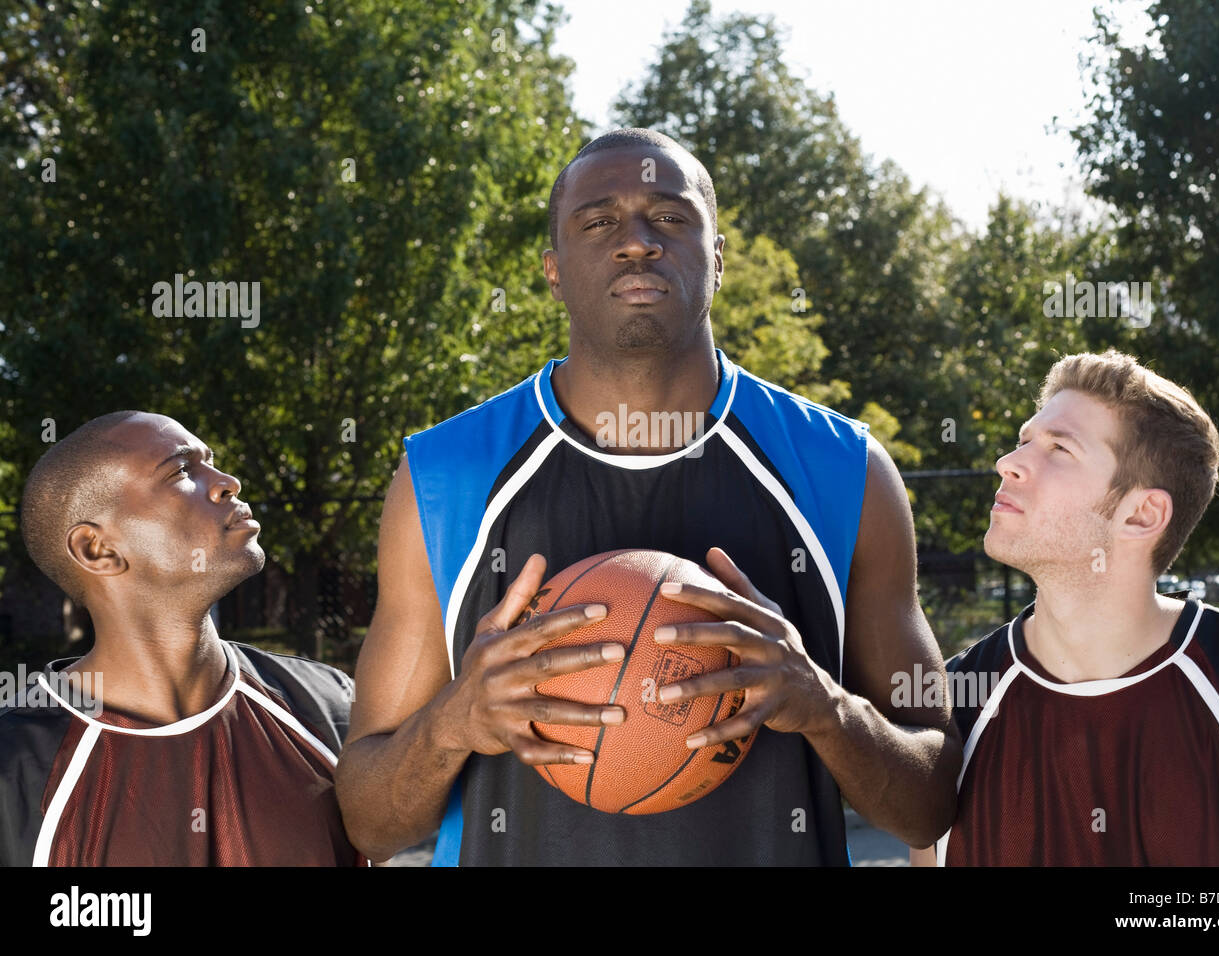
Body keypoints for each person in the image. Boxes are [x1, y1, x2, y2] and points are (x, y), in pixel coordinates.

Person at [336, 127, 962, 865]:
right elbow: (370, 824)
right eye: (598, 222)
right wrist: (452, 723)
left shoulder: (844, 468)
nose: (636, 242)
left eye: (670, 217)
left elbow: (931, 804)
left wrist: (824, 707)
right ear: (553, 271)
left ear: (718, 259)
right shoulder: (443, 477)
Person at [912, 350, 1219, 866]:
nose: (1009, 462)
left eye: (1059, 449)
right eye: (1026, 440)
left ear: (1141, 514)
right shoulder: (947, 712)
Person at [0, 411, 365, 866]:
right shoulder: (14, 767)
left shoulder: (329, 705)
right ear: (98, 549)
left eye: (212, 461)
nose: (227, 481)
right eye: (182, 471)